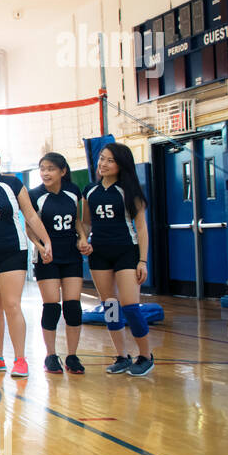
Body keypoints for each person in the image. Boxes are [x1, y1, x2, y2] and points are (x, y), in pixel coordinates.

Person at [0, 144, 52, 378]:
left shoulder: (12, 184)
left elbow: (31, 215)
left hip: (12, 251)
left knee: (12, 305)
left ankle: (20, 359)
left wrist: (45, 241)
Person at [80, 142, 154, 376]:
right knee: (110, 307)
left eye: (109, 160)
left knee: (130, 306)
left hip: (126, 252)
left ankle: (146, 356)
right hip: (99, 254)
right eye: (101, 158)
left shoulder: (129, 190)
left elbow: (141, 228)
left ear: (121, 164)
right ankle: (121, 356)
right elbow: (84, 222)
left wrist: (142, 260)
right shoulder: (90, 191)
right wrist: (82, 239)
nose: (103, 164)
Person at [27, 152, 86, 374]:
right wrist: (41, 248)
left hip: (71, 254)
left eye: (50, 168)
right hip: (47, 257)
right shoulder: (35, 195)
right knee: (52, 306)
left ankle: (72, 356)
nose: (45, 173)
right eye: (42, 168)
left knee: (73, 306)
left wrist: (82, 238)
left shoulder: (73, 192)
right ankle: (51, 355)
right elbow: (30, 229)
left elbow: (77, 221)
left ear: (63, 171)